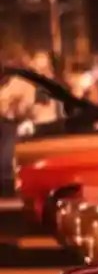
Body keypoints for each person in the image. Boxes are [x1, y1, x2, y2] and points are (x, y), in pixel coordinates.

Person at [0, 54, 38, 198]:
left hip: (11, 124)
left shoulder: (23, 85)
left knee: (6, 158)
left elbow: (28, 107)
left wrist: (17, 106)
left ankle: (7, 188)